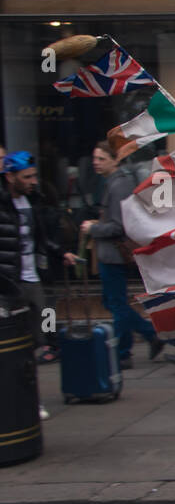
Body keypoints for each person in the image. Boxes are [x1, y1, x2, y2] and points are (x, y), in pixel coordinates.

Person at [77, 144, 163, 370]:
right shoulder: (112, 182)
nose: (96, 162)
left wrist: (93, 229)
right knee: (112, 301)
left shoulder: (118, 185)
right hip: (110, 253)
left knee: (116, 303)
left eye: (102, 158)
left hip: (114, 254)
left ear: (115, 160)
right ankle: (150, 334)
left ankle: (124, 352)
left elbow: (119, 226)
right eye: (95, 158)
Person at [1, 151, 78, 369]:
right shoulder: (3, 203)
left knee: (46, 320)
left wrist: (61, 253)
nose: (33, 181)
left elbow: (41, 238)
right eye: (26, 177)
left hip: (35, 276)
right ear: (9, 177)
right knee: (12, 334)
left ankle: (50, 348)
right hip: (8, 281)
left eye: (34, 176)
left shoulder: (33, 201)